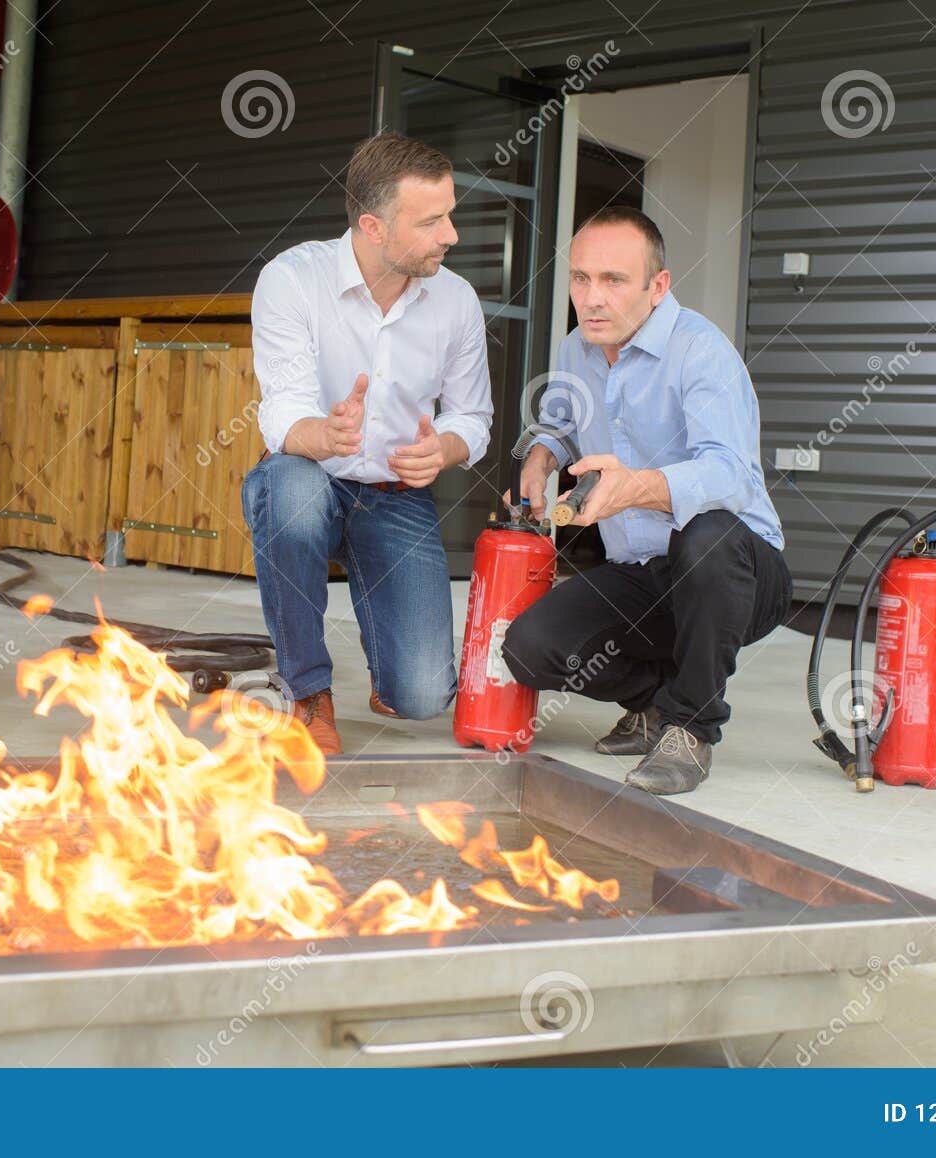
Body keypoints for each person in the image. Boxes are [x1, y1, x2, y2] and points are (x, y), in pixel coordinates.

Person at [502, 205, 791, 795]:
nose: (592, 298)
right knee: (531, 648)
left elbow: (731, 475)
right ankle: (655, 705)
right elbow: (559, 422)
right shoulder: (576, 349)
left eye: (614, 280)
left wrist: (641, 486)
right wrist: (540, 455)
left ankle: (691, 728)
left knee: (704, 534)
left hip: (736, 575)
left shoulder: (701, 352)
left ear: (658, 287)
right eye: (581, 278)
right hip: (642, 572)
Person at [241, 132, 494, 755]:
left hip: (394, 495)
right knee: (292, 490)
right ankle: (307, 692)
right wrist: (324, 435)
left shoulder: (456, 301)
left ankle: (393, 661)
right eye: (432, 221)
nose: (451, 235)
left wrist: (447, 450)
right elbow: (282, 414)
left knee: (423, 698)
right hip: (309, 476)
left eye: (450, 215)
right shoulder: (292, 279)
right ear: (373, 226)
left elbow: (474, 416)